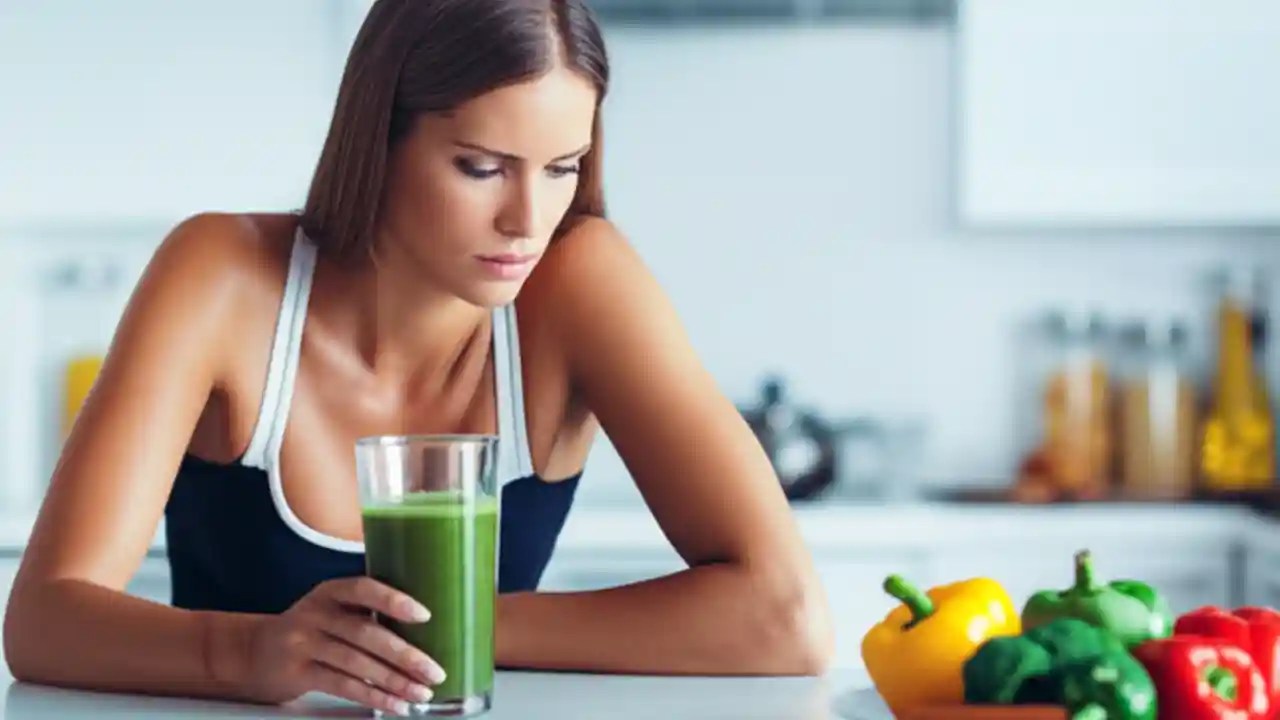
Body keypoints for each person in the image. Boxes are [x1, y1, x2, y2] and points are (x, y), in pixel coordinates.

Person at [3, 0, 833, 714]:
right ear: (380, 138)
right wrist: (256, 656)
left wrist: (447, 623)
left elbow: (784, 619)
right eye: (481, 168)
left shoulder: (579, 278)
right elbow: (45, 620)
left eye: (562, 169)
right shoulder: (220, 275)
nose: (528, 219)